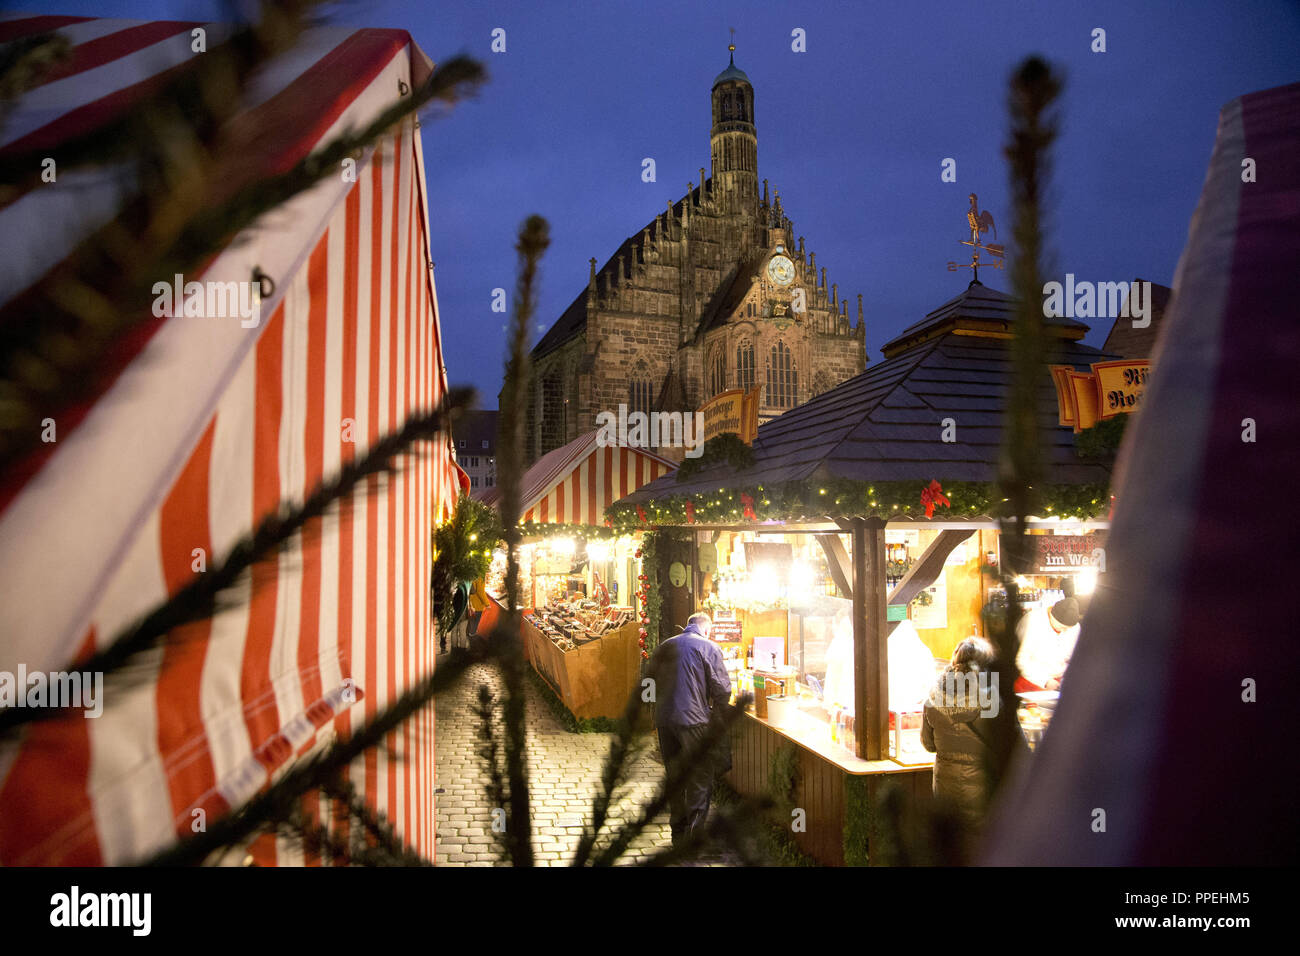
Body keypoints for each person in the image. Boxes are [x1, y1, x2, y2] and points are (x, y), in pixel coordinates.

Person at [648, 611, 733, 847]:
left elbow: (649, 683)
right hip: (694, 722)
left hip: (665, 722)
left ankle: (677, 834)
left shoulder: (664, 646)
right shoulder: (708, 647)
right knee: (699, 777)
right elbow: (723, 691)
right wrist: (713, 715)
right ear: (707, 630)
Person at [921, 637, 1021, 834]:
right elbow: (1014, 747)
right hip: (983, 788)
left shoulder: (933, 698)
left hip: (945, 786)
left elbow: (929, 744)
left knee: (953, 845)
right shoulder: (996, 700)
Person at [1015, 597, 1081, 691]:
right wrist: (1045, 681)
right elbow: (1022, 660)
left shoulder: (1075, 628)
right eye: (1061, 627)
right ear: (1050, 615)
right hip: (1033, 680)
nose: (1064, 630)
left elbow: (1073, 658)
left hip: (1060, 681)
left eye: (1068, 628)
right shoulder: (1034, 621)